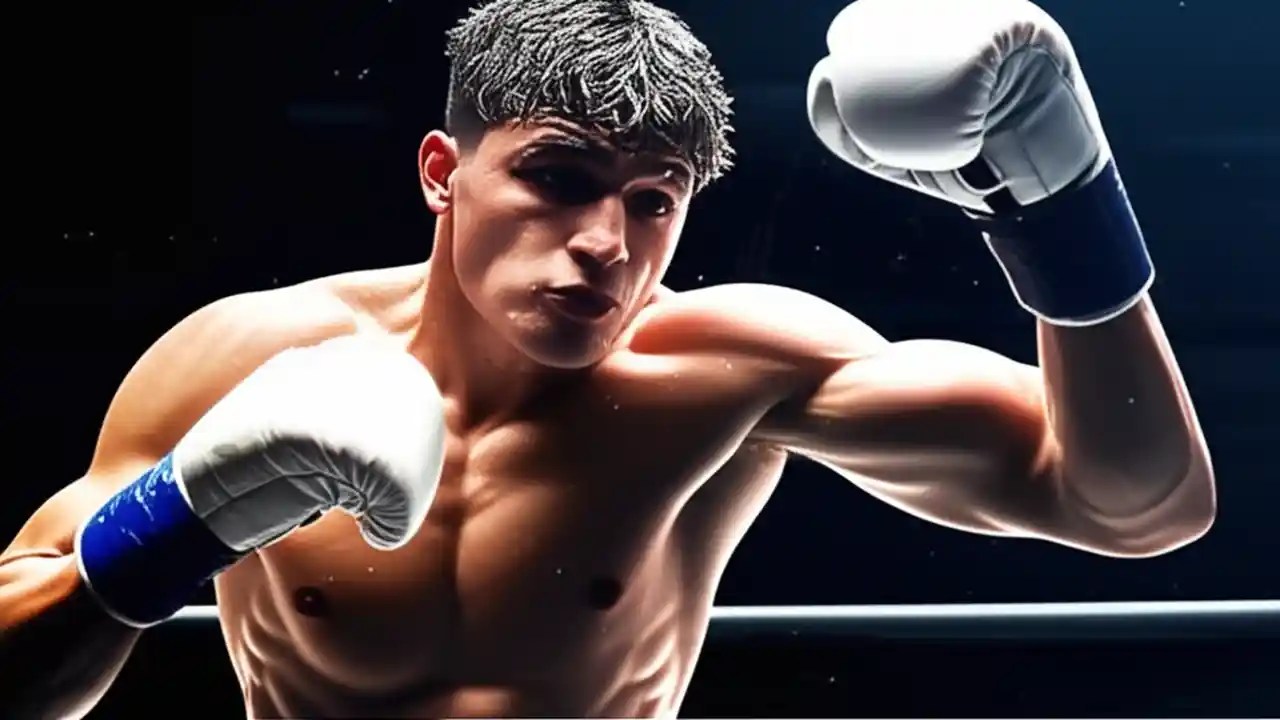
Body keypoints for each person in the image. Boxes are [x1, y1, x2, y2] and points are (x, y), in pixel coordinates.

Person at [1, 0, 1216, 716]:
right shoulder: (242, 355)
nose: (603, 245)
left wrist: (1060, 203)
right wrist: (174, 525)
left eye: (653, 199)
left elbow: (1132, 508)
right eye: (557, 178)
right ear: (442, 172)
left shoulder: (728, 368)